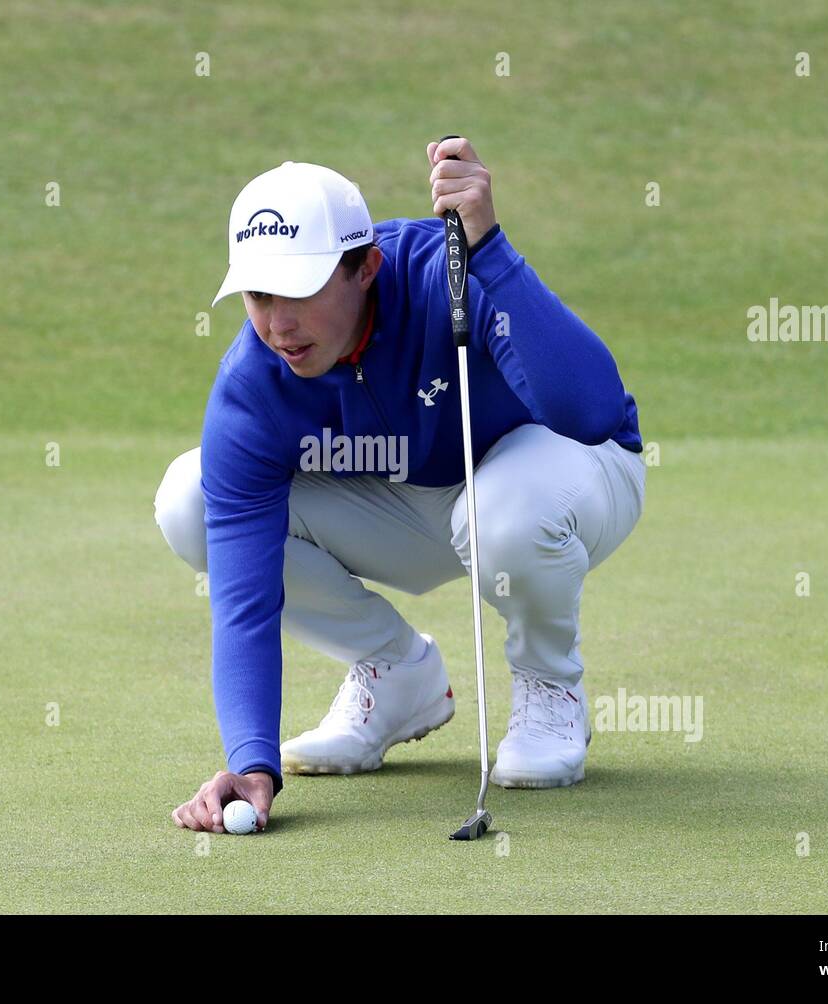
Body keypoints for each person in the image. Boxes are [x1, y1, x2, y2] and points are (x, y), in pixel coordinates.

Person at [157, 137, 645, 833]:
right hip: (413, 504)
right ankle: (394, 674)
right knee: (191, 498)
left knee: (502, 512)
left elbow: (591, 411)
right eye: (258, 295)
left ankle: (548, 687)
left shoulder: (449, 273)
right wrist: (252, 761)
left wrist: (493, 253)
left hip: (574, 475)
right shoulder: (253, 385)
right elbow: (245, 598)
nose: (278, 324)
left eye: (298, 289)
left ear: (366, 268)